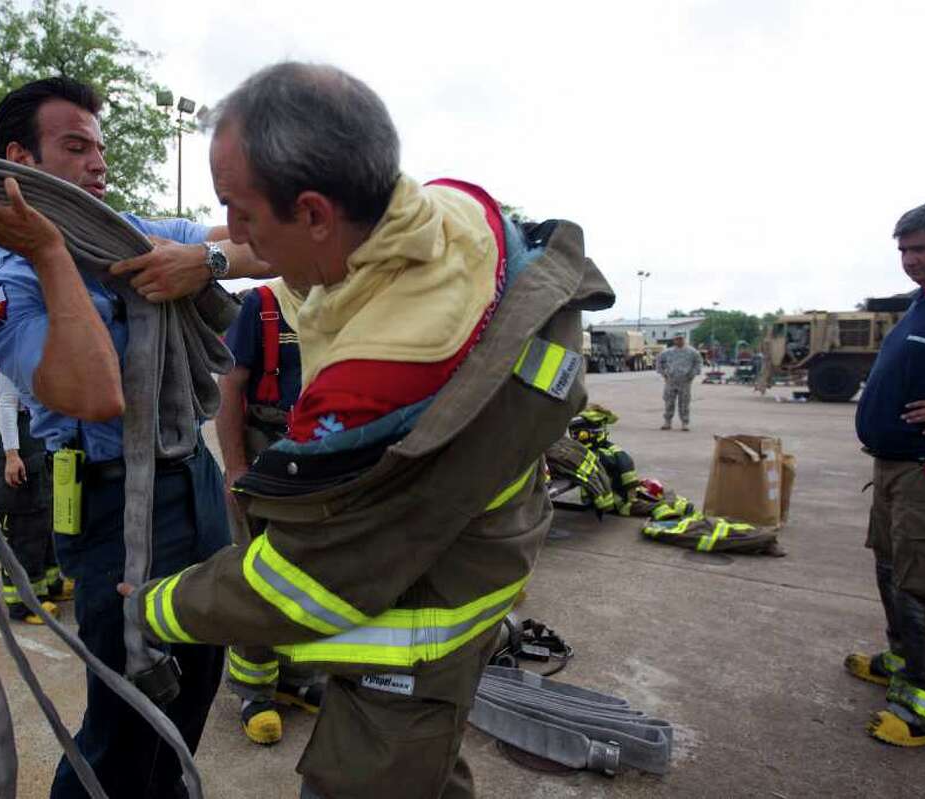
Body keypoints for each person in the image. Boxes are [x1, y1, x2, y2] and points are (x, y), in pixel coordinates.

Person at [119, 62, 613, 799]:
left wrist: (153, 604)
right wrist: (210, 259)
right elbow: (265, 248)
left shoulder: (376, 383)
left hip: (416, 635)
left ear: (317, 213)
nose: (235, 235)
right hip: (480, 553)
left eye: (239, 211)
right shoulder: (448, 215)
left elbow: (299, 582)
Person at [0, 76, 271, 798]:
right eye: (76, 146)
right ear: (20, 158)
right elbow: (96, 394)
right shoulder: (6, 286)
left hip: (196, 486)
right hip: (112, 511)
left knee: (194, 686)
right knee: (128, 716)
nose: (99, 162)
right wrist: (53, 251)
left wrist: (203, 262)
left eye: (100, 146)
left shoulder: (132, 230)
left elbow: (264, 246)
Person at [845, 200, 925, 747]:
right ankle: (904, 661)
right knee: (892, 570)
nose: (909, 260)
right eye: (903, 250)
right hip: (893, 469)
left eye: (922, 248)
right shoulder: (921, 303)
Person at [214, 278, 324, 745]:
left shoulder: (337, 298)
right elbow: (230, 388)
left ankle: (297, 676)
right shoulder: (261, 306)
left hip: (320, 454)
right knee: (258, 571)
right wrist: (235, 465)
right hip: (266, 448)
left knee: (310, 569)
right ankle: (254, 690)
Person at [0, 367, 71, 624]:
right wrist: (12, 455)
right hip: (21, 453)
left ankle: (50, 586)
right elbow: (6, 404)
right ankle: (24, 604)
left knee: (43, 528)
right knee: (24, 534)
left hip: (38, 449)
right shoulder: (7, 356)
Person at [655, 333, 702, 430]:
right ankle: (667, 422)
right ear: (674, 340)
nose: (679, 341)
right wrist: (663, 373)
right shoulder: (667, 352)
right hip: (671, 381)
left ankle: (685, 423)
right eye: (677, 339)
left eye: (680, 339)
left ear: (684, 339)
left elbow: (698, 363)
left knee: (684, 403)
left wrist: (692, 374)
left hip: (685, 381)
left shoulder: (692, 352)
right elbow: (659, 361)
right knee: (669, 402)